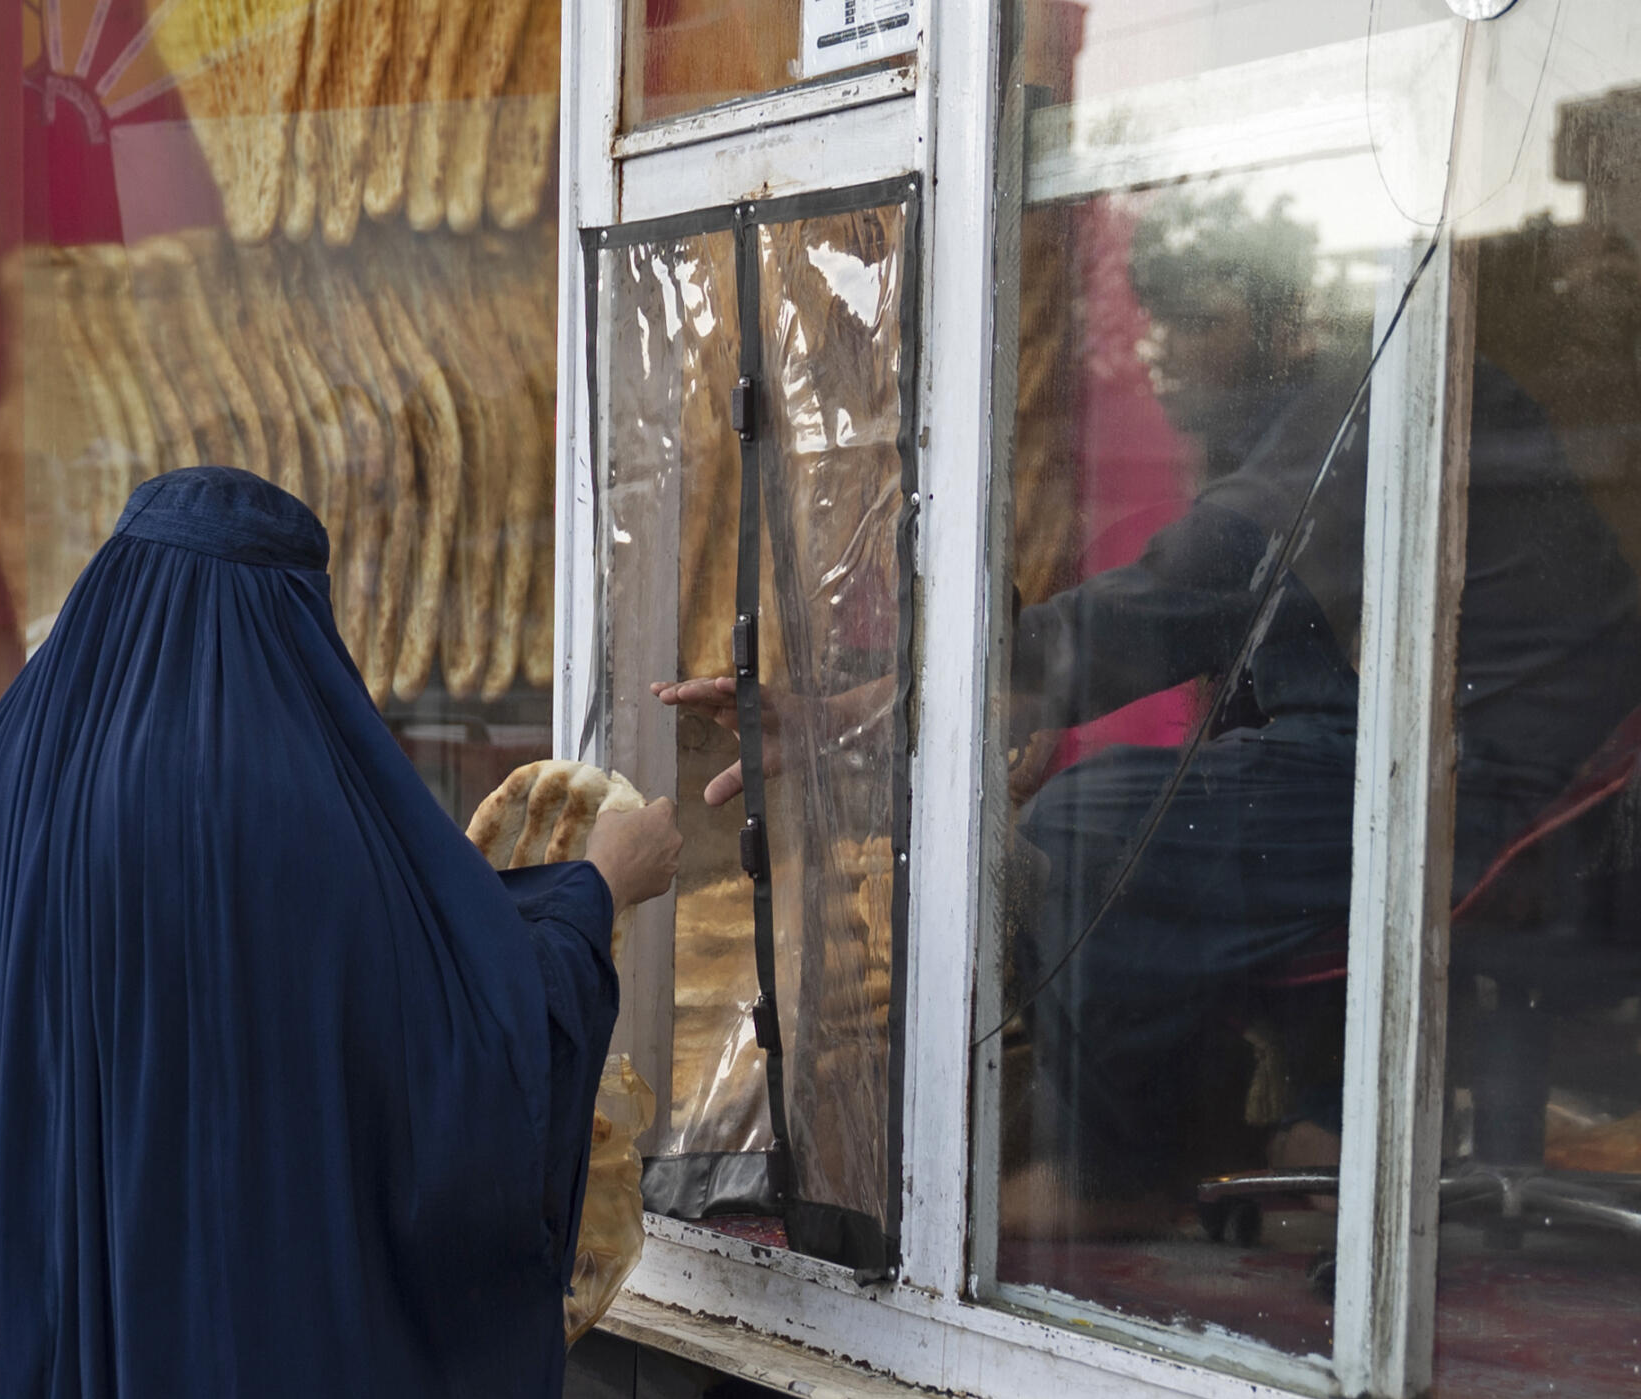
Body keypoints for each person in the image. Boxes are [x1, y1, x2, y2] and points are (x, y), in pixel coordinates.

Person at [662, 200, 1641, 1236]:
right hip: (1429, 752)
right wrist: (1004, 702)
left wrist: (858, 710)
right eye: (1156, 321)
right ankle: (1301, 1128)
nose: (1164, 351)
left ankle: (1118, 1175)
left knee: (1090, 832)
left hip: (1495, 778)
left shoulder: (1373, 399)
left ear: (1284, 321)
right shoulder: (1315, 423)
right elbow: (1231, 647)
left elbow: (1172, 600)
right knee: (1195, 788)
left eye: (1199, 319)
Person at [0, 467, 682, 1399]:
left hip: (53, 1350)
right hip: (241, 1376)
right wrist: (596, 890)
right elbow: (460, 1060)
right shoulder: (286, 816)